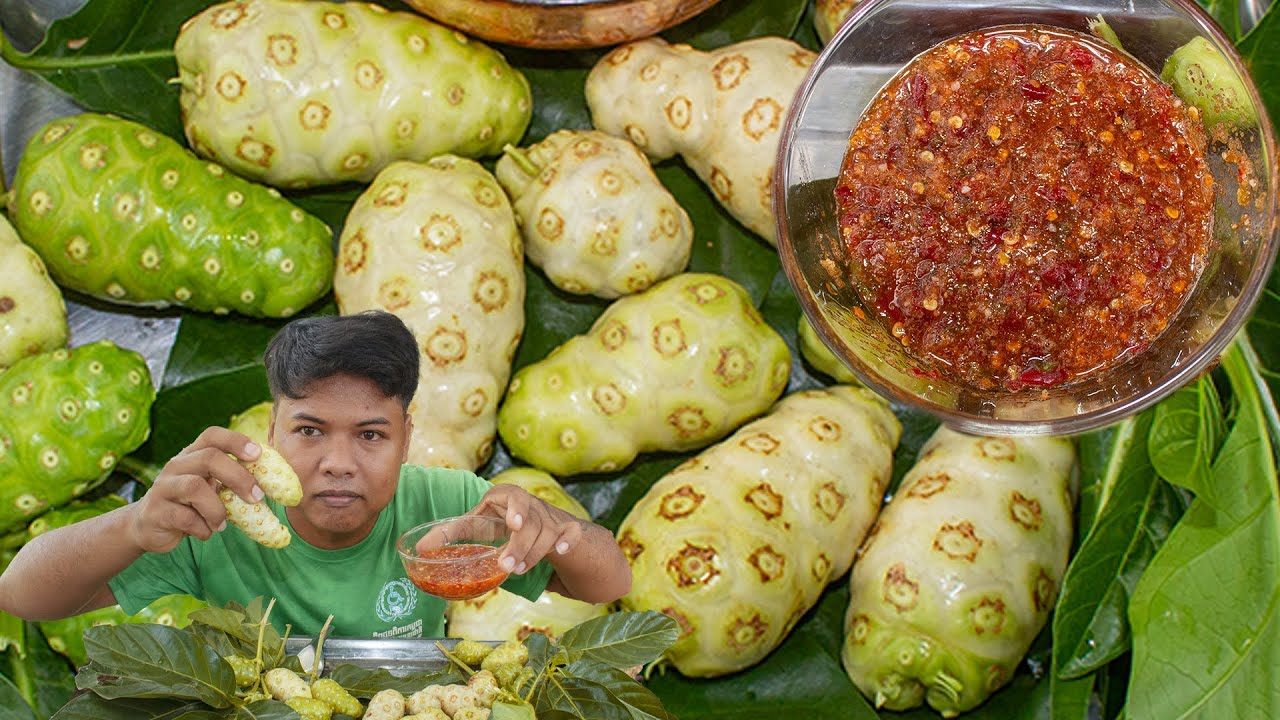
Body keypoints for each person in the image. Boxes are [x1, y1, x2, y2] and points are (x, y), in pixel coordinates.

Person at [0, 311, 631, 638]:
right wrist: (135, 523)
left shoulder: (451, 509)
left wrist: (557, 529)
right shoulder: (213, 520)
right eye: (308, 431)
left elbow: (609, 583)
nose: (337, 462)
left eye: (371, 436)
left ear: (407, 439)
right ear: (270, 432)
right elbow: (21, 597)